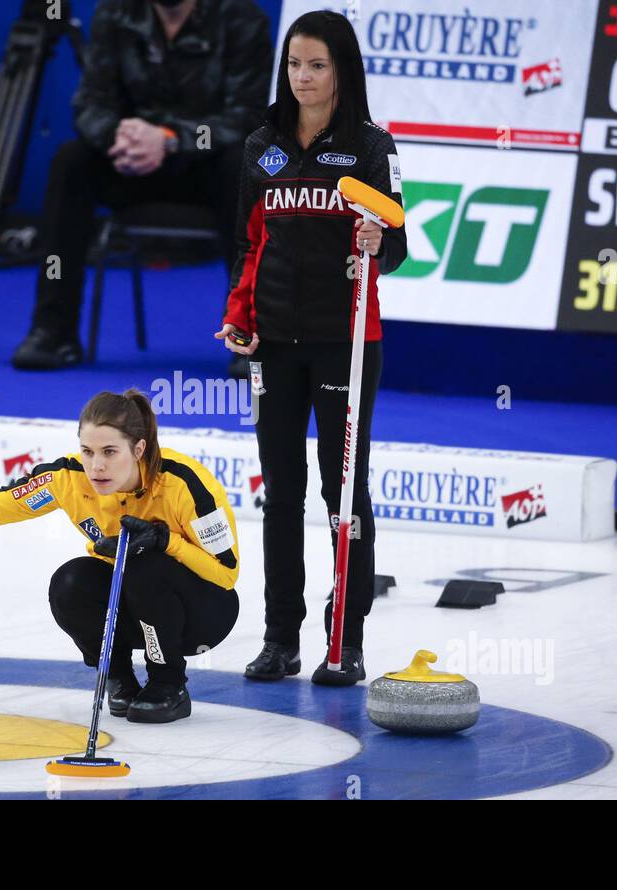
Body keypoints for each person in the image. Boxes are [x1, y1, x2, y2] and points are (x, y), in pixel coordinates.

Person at [0, 390, 240, 724]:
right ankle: (119, 677)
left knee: (146, 567)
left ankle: (168, 683)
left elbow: (226, 575)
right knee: (71, 583)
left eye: (109, 452)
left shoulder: (184, 484)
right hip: (134, 602)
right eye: (87, 451)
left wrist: (165, 541)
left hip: (202, 614)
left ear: (138, 449)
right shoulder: (67, 479)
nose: (97, 465)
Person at [214, 11, 407, 686]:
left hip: (344, 343)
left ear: (342, 71)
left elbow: (400, 245)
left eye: (317, 65)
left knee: (343, 492)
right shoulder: (261, 147)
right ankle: (279, 639)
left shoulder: (371, 148)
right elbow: (244, 243)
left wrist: (379, 244)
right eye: (295, 64)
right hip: (274, 345)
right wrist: (239, 316)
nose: (303, 77)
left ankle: (344, 641)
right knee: (282, 491)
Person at [11, 0, 273, 370]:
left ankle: (247, 336)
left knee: (242, 166)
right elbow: (90, 103)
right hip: (134, 165)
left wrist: (168, 138)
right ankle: (52, 331)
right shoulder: (115, 13)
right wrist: (118, 135)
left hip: (207, 166)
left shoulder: (242, 19)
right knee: (71, 163)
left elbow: (247, 116)